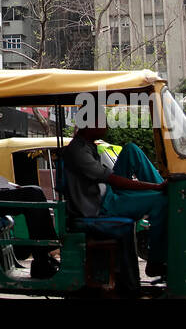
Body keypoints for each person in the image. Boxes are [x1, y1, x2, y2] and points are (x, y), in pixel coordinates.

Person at [63, 109, 168, 277]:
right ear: (90, 124)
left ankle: (165, 189)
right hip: (100, 207)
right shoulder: (78, 151)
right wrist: (154, 188)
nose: (106, 125)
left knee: (131, 150)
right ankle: (156, 260)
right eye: (102, 120)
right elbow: (113, 179)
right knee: (160, 202)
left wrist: (155, 187)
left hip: (107, 194)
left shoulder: (89, 146)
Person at [0, 101, 58, 279]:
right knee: (33, 193)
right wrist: (13, 187)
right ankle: (42, 259)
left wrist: (12, 186)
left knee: (34, 192)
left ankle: (44, 256)